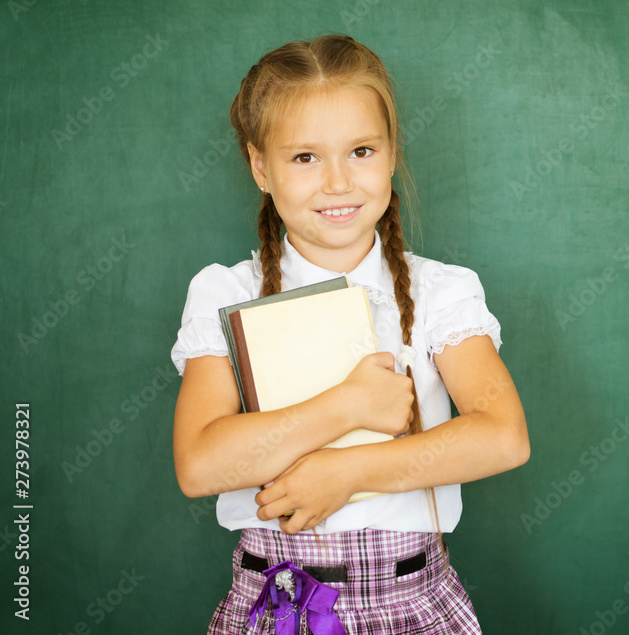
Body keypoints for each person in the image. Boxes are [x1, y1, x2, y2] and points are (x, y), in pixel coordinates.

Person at [171, 33, 530, 634]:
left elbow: (503, 437)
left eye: (361, 150)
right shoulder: (225, 292)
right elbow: (201, 464)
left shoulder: (442, 291)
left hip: (413, 603)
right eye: (304, 157)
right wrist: (348, 405)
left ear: (392, 155)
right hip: (276, 606)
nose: (338, 182)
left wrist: (348, 471)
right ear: (260, 167)